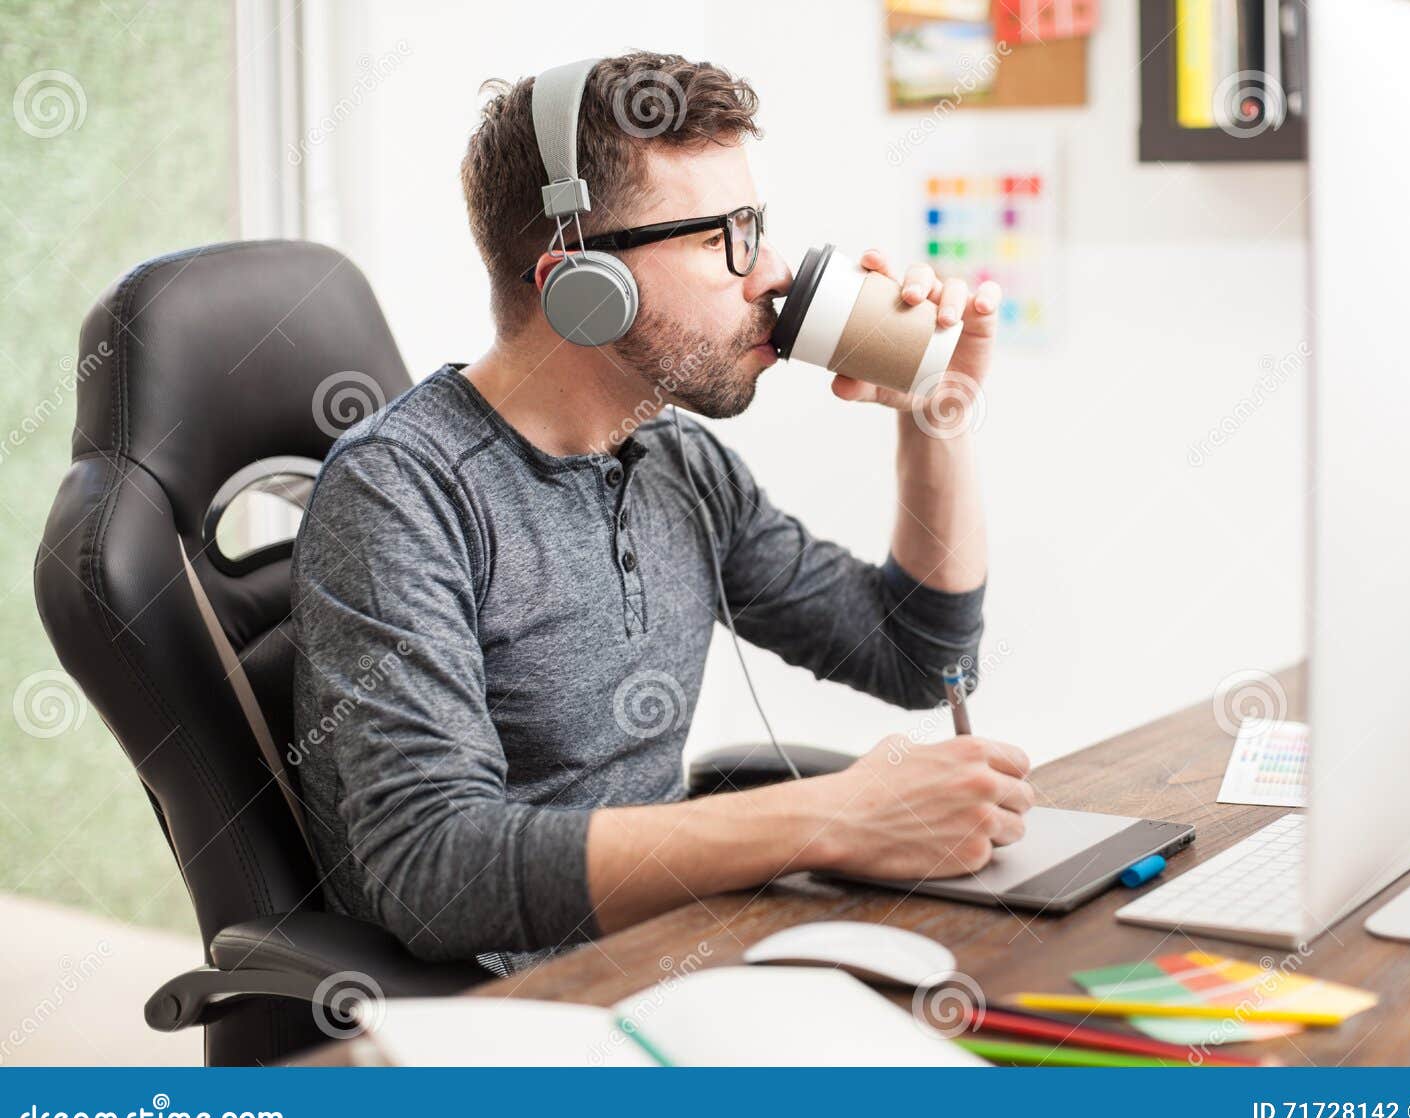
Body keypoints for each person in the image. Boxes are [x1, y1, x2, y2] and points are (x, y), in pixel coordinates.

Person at [291, 51, 1032, 972]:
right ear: (580, 284)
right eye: (723, 236)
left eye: (757, 224)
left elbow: (919, 656)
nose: (771, 274)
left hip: (678, 963)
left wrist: (935, 417)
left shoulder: (677, 462)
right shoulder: (403, 492)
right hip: (524, 1034)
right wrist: (832, 817)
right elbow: (431, 872)